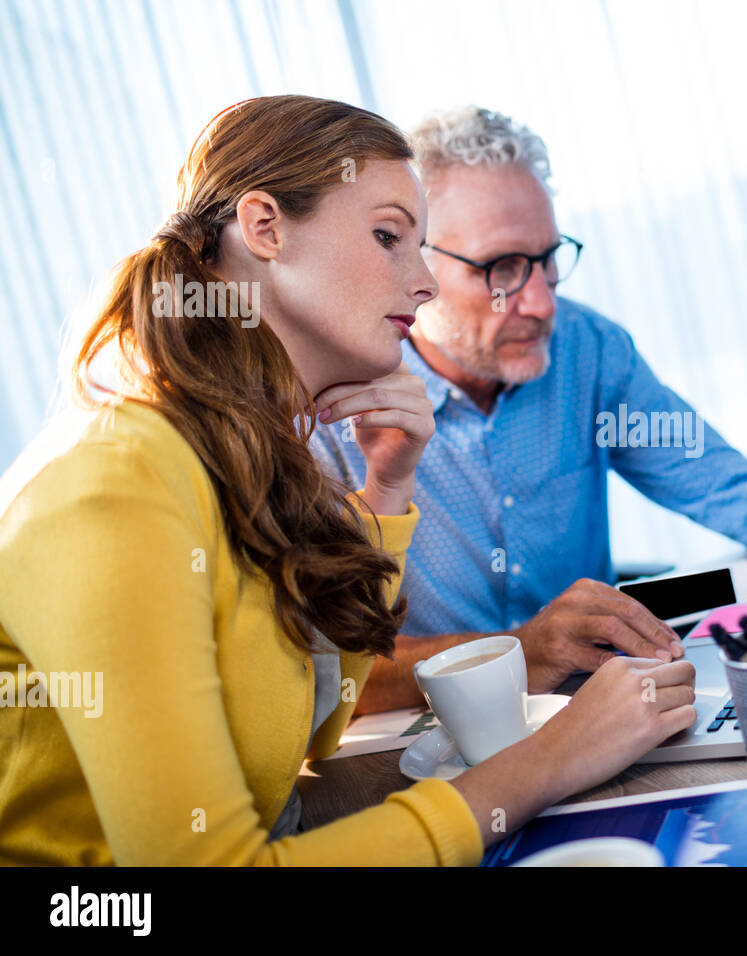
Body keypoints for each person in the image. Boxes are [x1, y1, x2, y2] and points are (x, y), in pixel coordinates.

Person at [0, 95, 695, 866]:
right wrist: (554, 758)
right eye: (389, 236)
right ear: (265, 228)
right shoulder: (117, 486)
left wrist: (385, 490)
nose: (424, 284)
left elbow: (314, 723)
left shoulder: (240, 452)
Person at [309, 106, 747, 714]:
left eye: (548, 260)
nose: (543, 302)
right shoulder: (333, 416)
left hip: (597, 714)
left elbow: (729, 486)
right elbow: (336, 679)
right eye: (502, 269)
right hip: (418, 752)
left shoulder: (586, 350)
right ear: (415, 266)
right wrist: (522, 650)